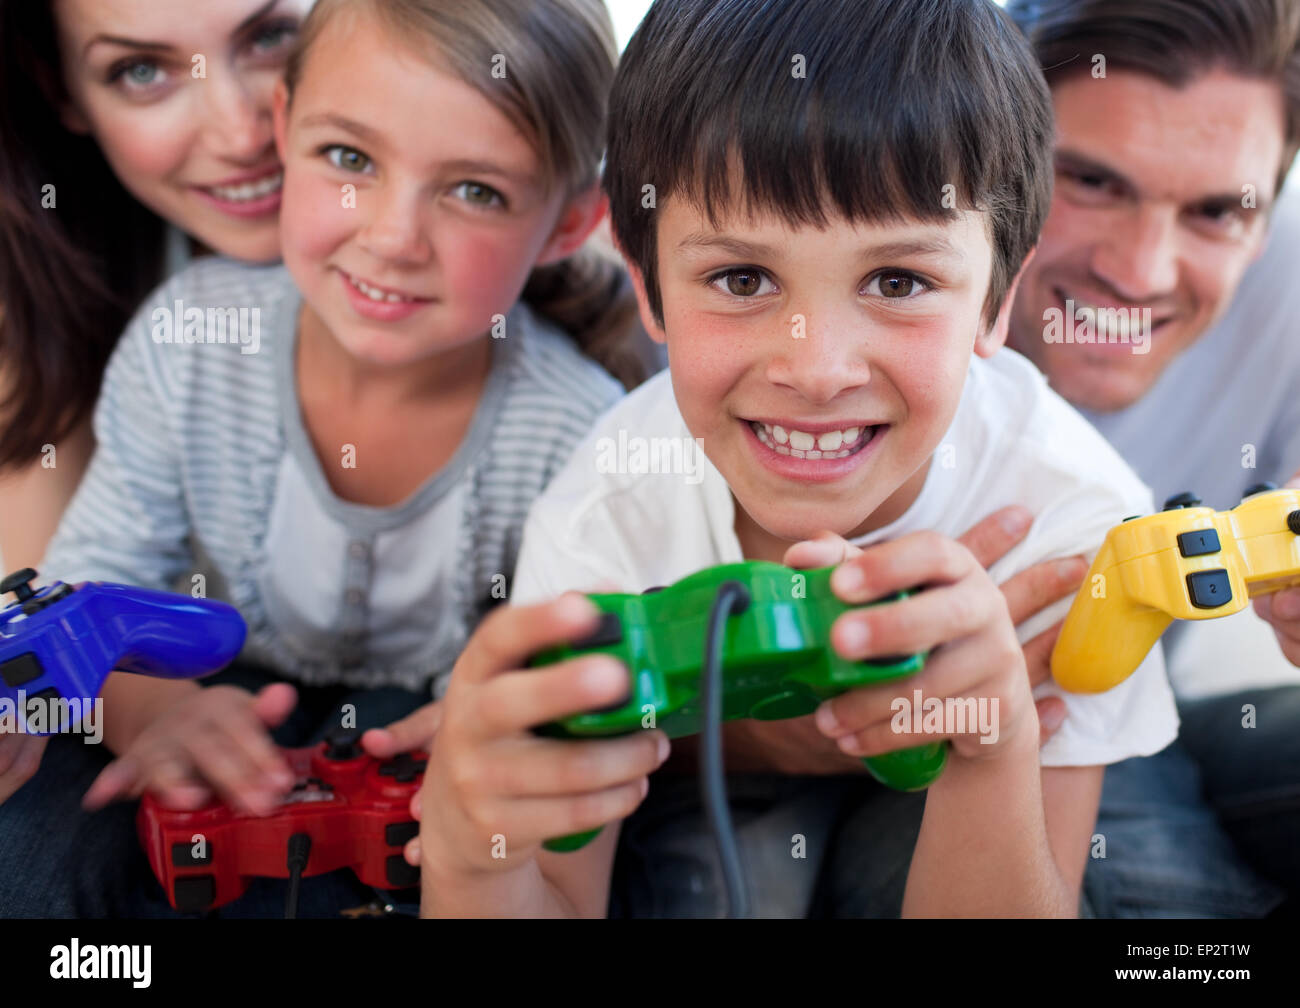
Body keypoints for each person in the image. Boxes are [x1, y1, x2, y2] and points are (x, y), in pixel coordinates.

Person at [411, 0, 1180, 918]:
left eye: (899, 282)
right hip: (726, 789)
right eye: (742, 279)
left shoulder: (1077, 521)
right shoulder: (608, 510)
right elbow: (562, 897)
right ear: (647, 280)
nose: (816, 371)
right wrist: (471, 860)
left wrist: (991, 747)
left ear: (994, 304)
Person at [0, 0, 642, 918]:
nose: (392, 237)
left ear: (572, 223)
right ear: (283, 129)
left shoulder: (580, 427)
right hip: (203, 700)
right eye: (350, 160)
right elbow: (90, 598)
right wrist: (149, 710)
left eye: (476, 191)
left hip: (420, 737)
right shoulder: (186, 341)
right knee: (28, 857)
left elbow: (551, 687)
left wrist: (487, 736)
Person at [1003, 0, 1300, 916]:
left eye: (1216, 213)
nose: (1139, 272)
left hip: (1134, 716)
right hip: (906, 755)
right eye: (1090, 182)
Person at [0, 0, 311, 803]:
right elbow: (65, 606)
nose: (241, 131)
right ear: (60, 87)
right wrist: (142, 710)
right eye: (142, 70)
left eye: (272, 36)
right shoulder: (42, 295)